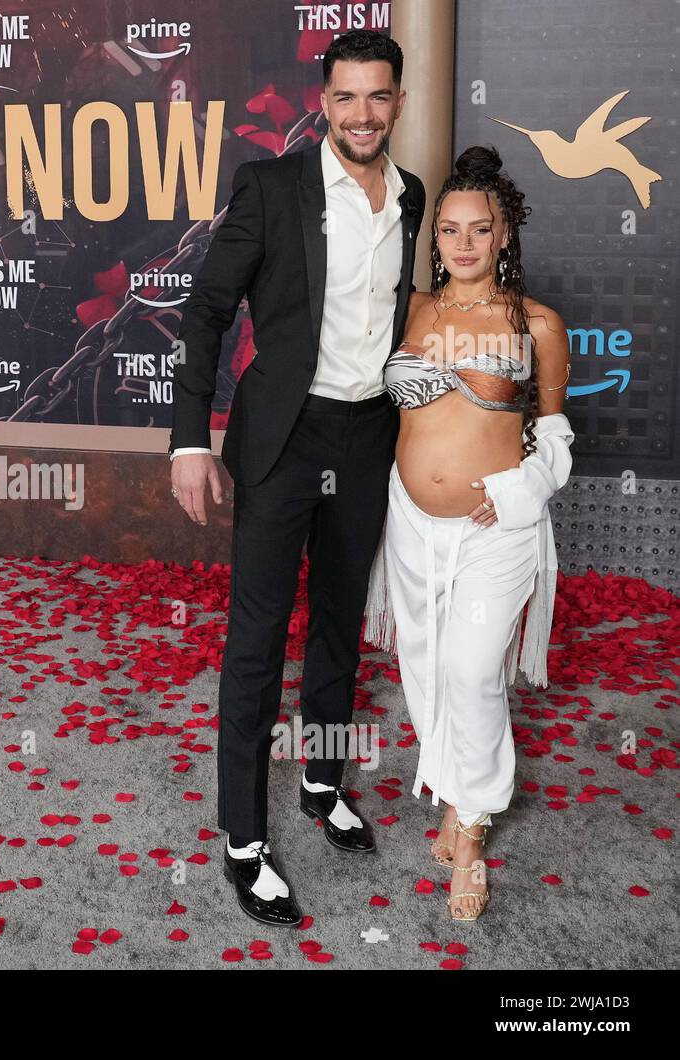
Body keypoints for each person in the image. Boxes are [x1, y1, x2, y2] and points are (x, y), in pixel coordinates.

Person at [169, 30, 426, 926]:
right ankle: (244, 839)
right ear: (324, 102)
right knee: (258, 640)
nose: (363, 113)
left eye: (379, 96)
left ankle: (322, 781)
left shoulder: (412, 196)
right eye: (347, 96)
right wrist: (188, 441)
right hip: (283, 438)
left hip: (366, 439)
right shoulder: (272, 188)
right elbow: (205, 313)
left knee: (338, 630)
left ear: (399, 101)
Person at [363, 145, 573, 922]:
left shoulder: (537, 324)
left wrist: (520, 486)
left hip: (497, 530)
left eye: (478, 230)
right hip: (411, 522)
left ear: (504, 235)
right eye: (448, 230)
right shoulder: (411, 310)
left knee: (473, 666)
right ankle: (454, 792)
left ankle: (474, 822)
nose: (461, 244)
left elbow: (554, 436)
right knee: (422, 664)